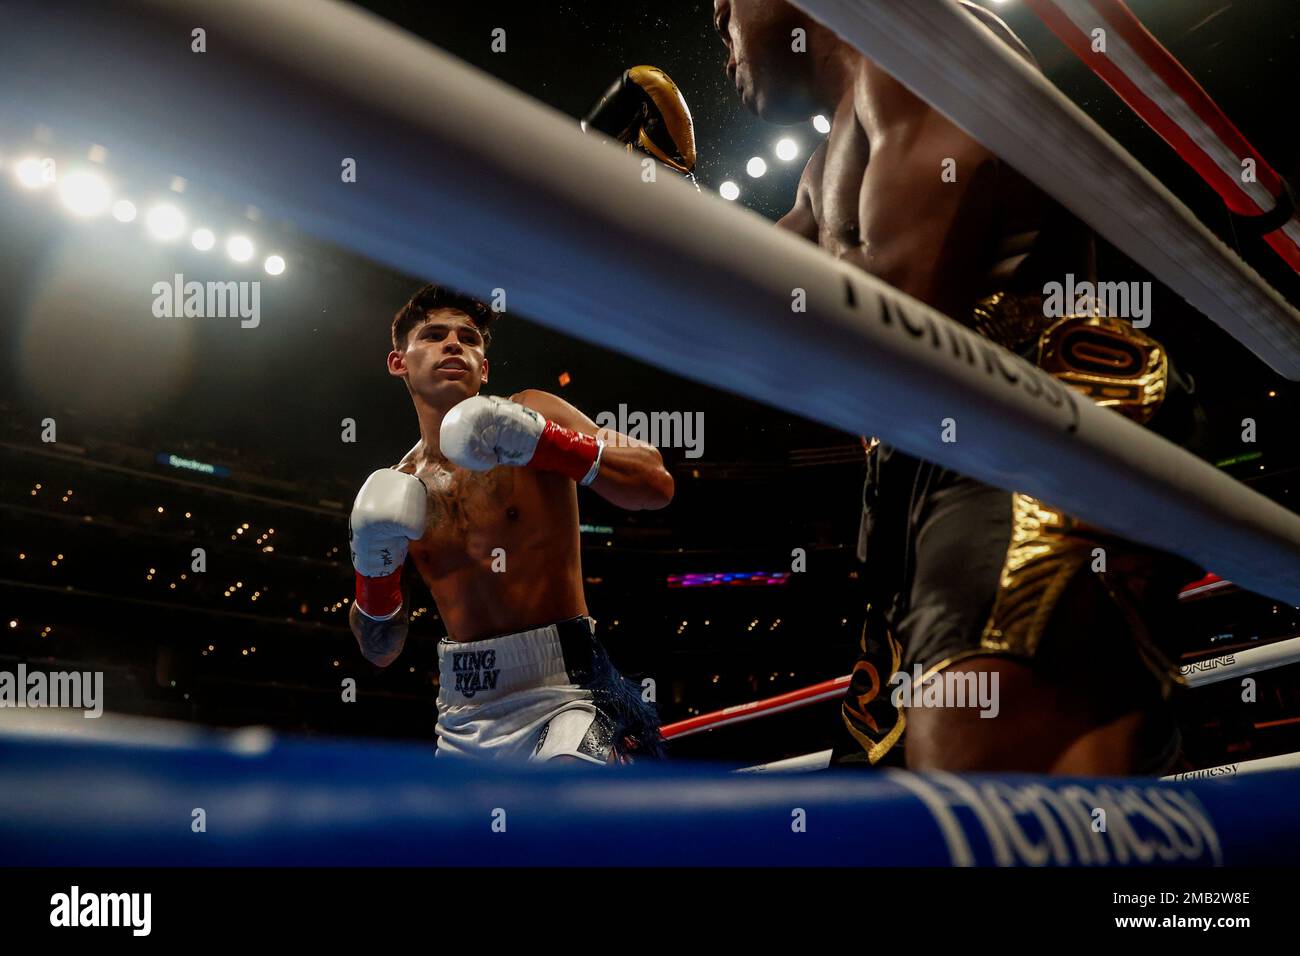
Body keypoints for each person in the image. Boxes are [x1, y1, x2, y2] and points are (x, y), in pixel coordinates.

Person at [714, 0, 1204, 773]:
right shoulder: (819, 174)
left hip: (1029, 406)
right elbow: (722, 300)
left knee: (977, 752)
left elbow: (903, 304)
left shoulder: (915, 42)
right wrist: (616, 200)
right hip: (926, 463)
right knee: (898, 786)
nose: (717, 18)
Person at [348, 285, 674, 764]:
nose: (454, 344)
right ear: (399, 363)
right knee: (455, 840)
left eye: (469, 338)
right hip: (463, 712)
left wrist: (546, 443)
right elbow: (380, 652)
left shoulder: (533, 413)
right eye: (434, 335)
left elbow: (654, 482)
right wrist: (374, 577)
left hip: (567, 691)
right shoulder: (397, 488)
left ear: (484, 368)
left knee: (562, 806)